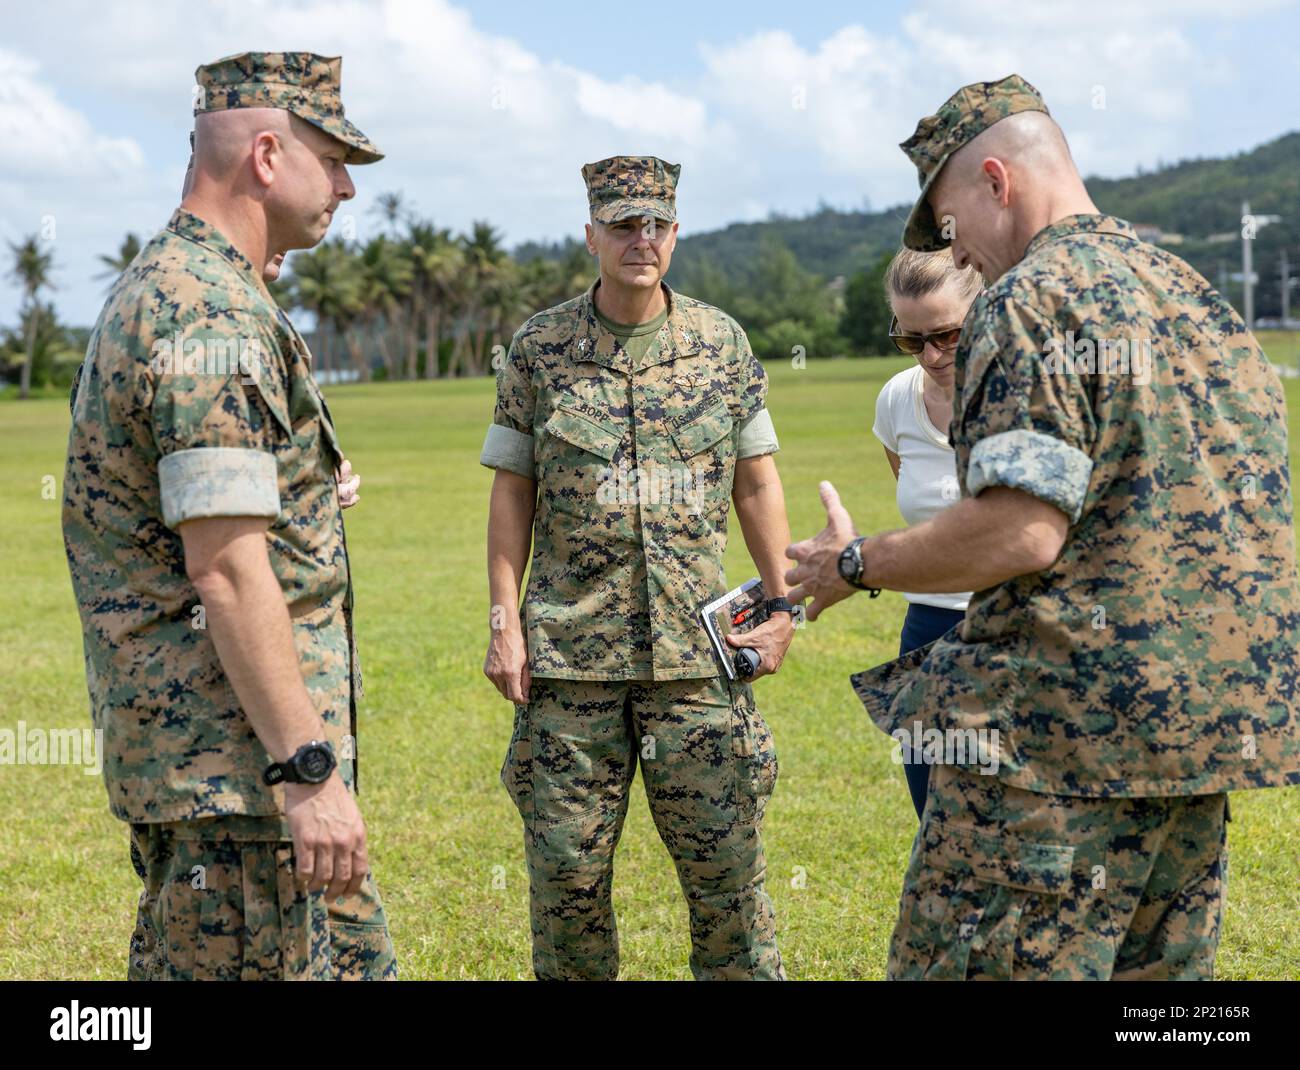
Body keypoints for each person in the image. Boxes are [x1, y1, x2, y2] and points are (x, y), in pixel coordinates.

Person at [785, 74, 1300, 979]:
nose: (964, 255)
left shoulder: (1030, 300)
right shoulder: (1202, 305)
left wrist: (855, 561)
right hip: (1197, 745)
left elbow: (1020, 533)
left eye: (949, 228)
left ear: (998, 180)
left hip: (1053, 753)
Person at [62, 52, 393, 980]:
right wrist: (307, 772)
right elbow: (225, 568)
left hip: (226, 775)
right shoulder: (209, 316)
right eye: (332, 160)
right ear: (263, 155)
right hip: (243, 784)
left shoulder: (178, 287)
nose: (344, 189)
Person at [481, 156, 794, 980]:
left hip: (700, 660)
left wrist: (783, 605)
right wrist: (503, 622)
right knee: (568, 883)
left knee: (727, 879)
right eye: (623, 224)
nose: (641, 239)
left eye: (655, 224)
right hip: (570, 664)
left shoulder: (718, 343)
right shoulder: (541, 348)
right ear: (591, 236)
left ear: (676, 234)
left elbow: (755, 479)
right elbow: (513, 491)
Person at [872, 247, 981, 818]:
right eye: (911, 341)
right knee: (936, 818)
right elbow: (922, 517)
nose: (931, 355)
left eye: (948, 335)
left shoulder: (1028, 393)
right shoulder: (896, 399)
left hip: (1014, 628)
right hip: (927, 630)